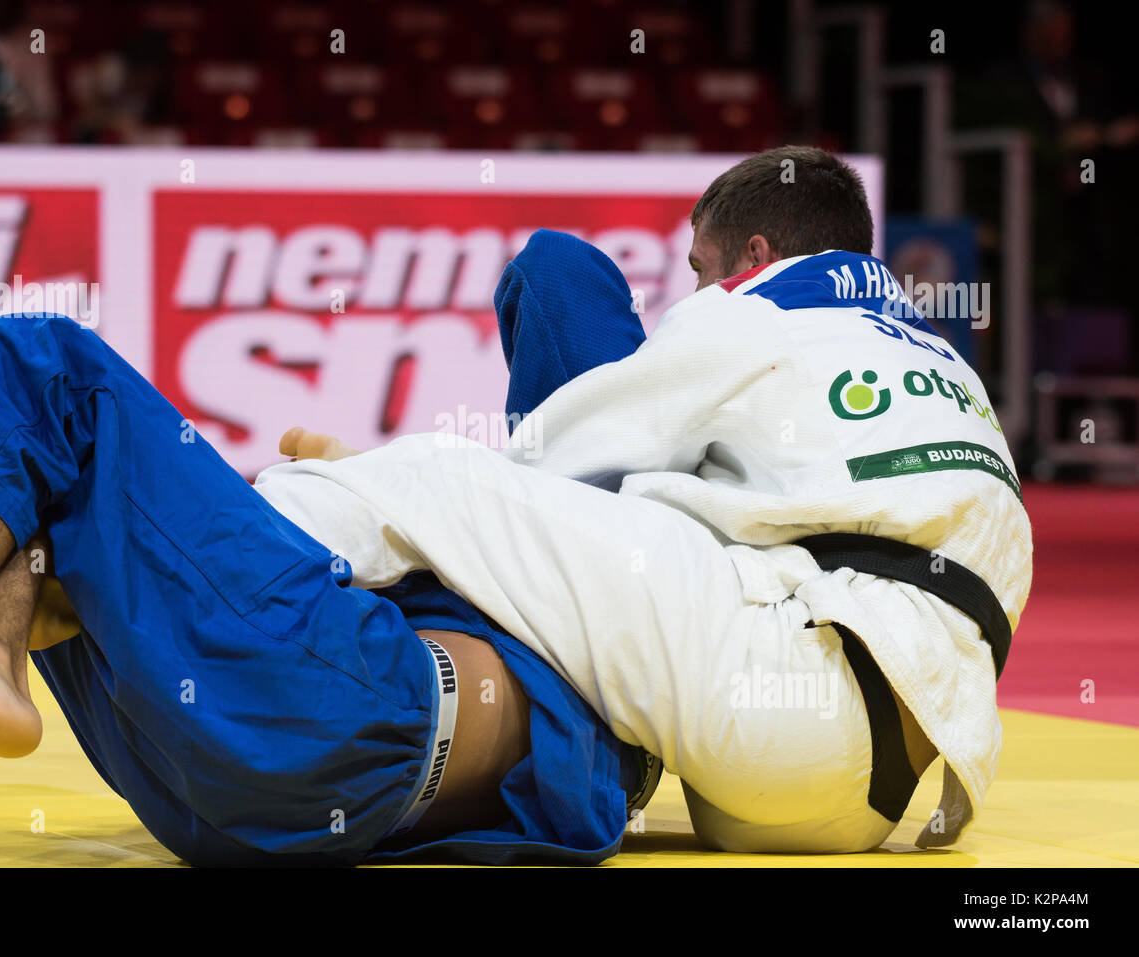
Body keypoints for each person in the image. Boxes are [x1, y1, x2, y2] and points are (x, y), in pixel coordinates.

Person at [254, 146, 1032, 851]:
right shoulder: (946, 364)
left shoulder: (754, 311)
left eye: (701, 267)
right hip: (878, 784)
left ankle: (241, 537)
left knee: (443, 477)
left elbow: (550, 470)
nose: (694, 290)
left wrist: (374, 472)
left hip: (776, 705)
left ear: (754, 256)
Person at [0, 311, 657, 866]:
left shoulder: (625, 524)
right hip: (259, 806)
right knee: (41, 480)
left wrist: (383, 478)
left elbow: (558, 274)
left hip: (340, 718)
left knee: (33, 365)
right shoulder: (603, 579)